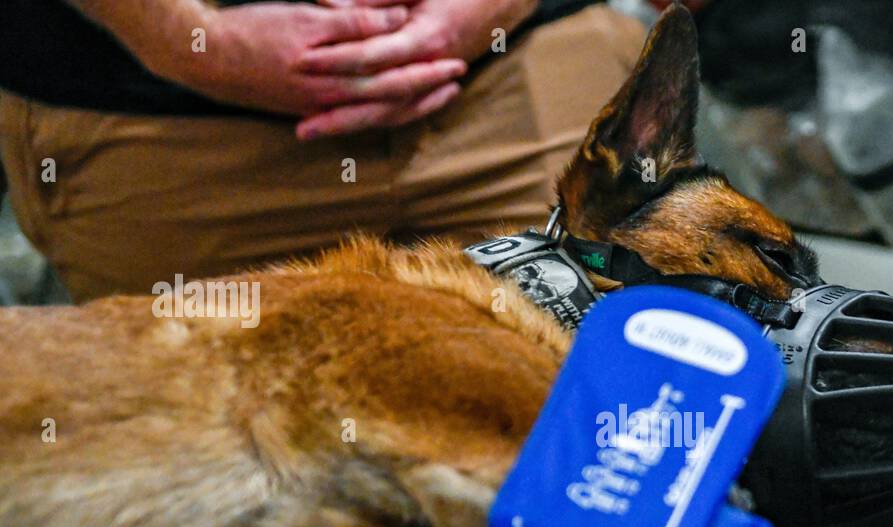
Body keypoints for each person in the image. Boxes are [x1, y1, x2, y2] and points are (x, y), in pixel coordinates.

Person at [0, 0, 647, 301]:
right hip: (158, 121)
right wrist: (187, 41)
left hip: (519, 68)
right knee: (237, 520)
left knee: (622, 445)